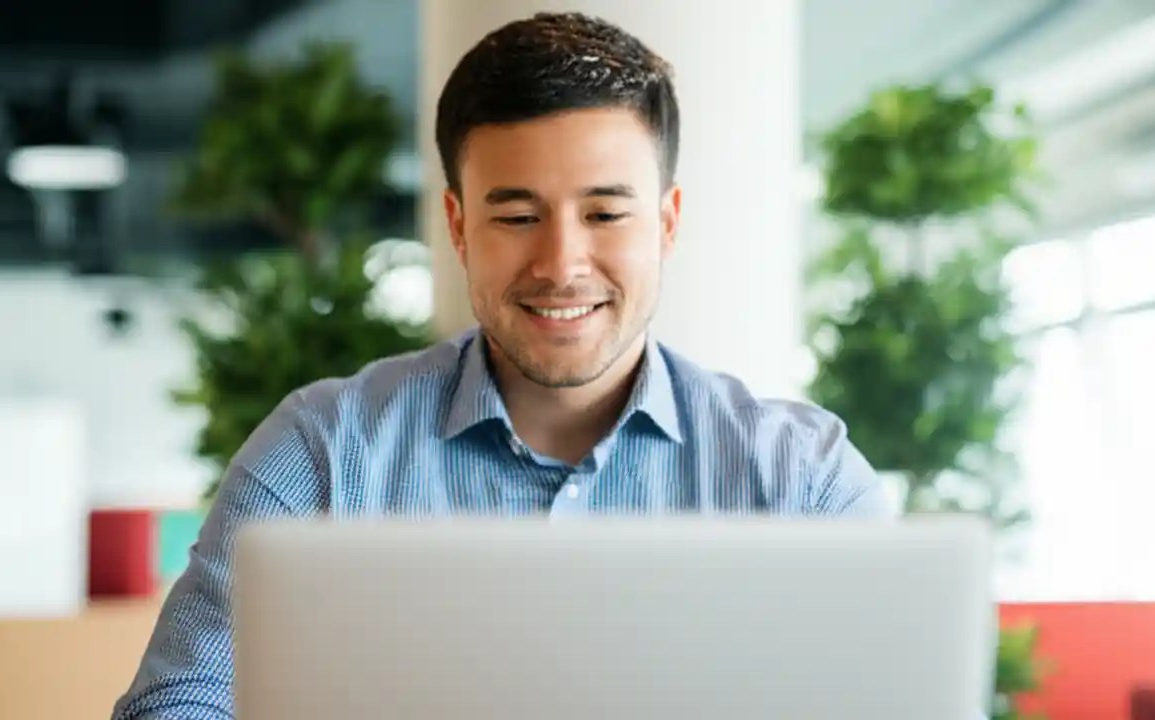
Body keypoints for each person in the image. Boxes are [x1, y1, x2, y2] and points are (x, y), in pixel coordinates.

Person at [113, 12, 890, 718]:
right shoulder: (323, 450)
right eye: (517, 217)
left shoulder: (804, 482)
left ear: (666, 222)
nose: (561, 263)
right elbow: (177, 703)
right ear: (458, 226)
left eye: (606, 214)